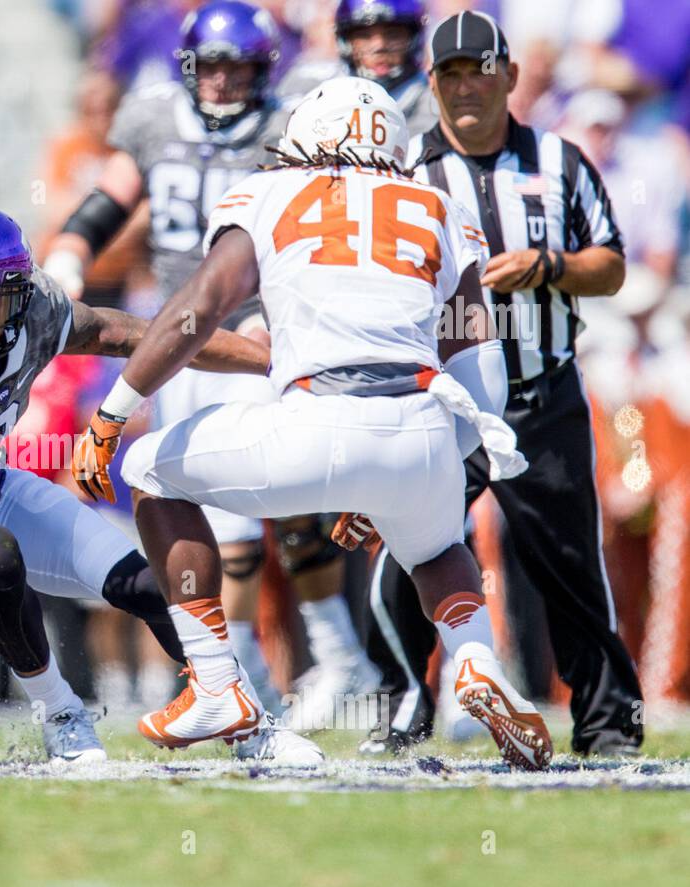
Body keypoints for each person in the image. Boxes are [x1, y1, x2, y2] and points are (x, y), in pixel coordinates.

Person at [72, 76, 553, 771]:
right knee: (435, 544)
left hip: (314, 417)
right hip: (421, 424)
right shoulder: (439, 206)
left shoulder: (270, 192)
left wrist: (115, 409)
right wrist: (426, 470)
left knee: (149, 468)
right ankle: (479, 663)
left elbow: (198, 307)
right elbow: (481, 367)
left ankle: (215, 682)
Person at [0, 204, 303, 764]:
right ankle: (62, 715)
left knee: (149, 587)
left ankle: (249, 727)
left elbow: (131, 335)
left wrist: (267, 361)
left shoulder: (39, 311)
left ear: (21, 294)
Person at [46, 0, 379, 723]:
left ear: (264, 70)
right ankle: (250, 671)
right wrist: (73, 248)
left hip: (257, 332)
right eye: (213, 66)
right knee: (206, 506)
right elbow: (111, 195)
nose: (224, 82)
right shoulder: (155, 117)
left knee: (276, 503)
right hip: (176, 340)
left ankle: (307, 660)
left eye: (239, 68)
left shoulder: (288, 125)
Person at [361, 11, 641, 757]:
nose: (465, 89)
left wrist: (547, 265)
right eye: (450, 75)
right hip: (447, 400)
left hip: (543, 394)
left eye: (479, 71)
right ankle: (401, 710)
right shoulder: (405, 174)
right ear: (432, 83)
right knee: (405, 559)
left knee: (570, 564)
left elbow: (611, 266)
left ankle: (609, 722)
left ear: (509, 76)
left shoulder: (561, 161)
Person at [277, 0, 438, 137]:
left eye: (393, 35)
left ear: (414, 37)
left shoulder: (436, 100)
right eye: (364, 36)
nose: (379, 46)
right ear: (345, 40)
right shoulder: (310, 88)